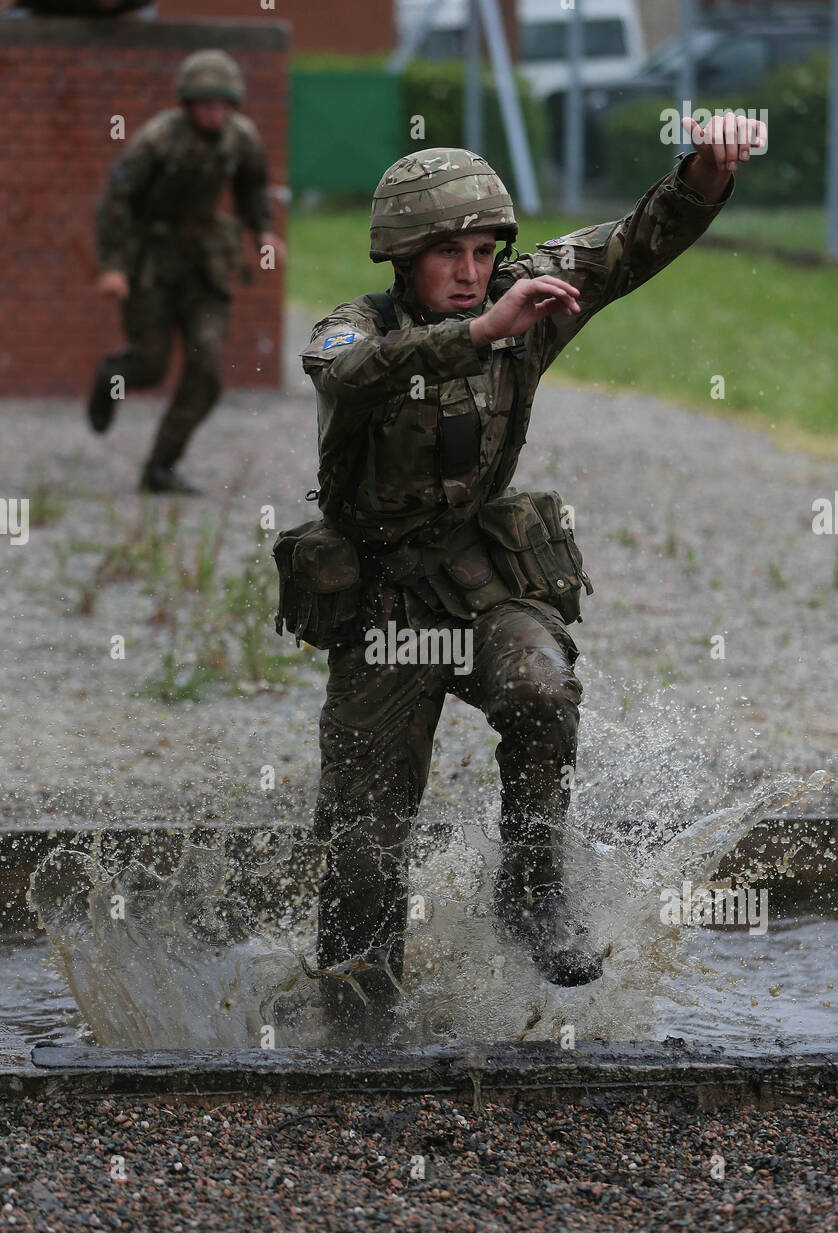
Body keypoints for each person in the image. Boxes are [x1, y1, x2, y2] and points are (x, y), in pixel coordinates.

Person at [294, 113, 766, 1040]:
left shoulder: (528, 299)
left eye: (484, 252)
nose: (471, 272)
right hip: (384, 611)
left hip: (479, 586)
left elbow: (633, 245)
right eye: (448, 254)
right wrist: (477, 335)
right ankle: (356, 1034)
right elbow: (345, 373)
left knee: (543, 687)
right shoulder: (357, 330)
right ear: (402, 260)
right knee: (362, 851)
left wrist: (707, 170)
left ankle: (532, 886)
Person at [88, 49, 285, 494]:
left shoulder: (241, 139)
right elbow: (116, 200)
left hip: (204, 268)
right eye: (206, 104)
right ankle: (109, 376)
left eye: (222, 104)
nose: (215, 113)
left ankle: (160, 466)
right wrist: (113, 266)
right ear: (188, 103)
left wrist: (263, 232)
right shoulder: (158, 139)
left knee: (208, 371)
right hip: (153, 264)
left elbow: (253, 188)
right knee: (150, 364)